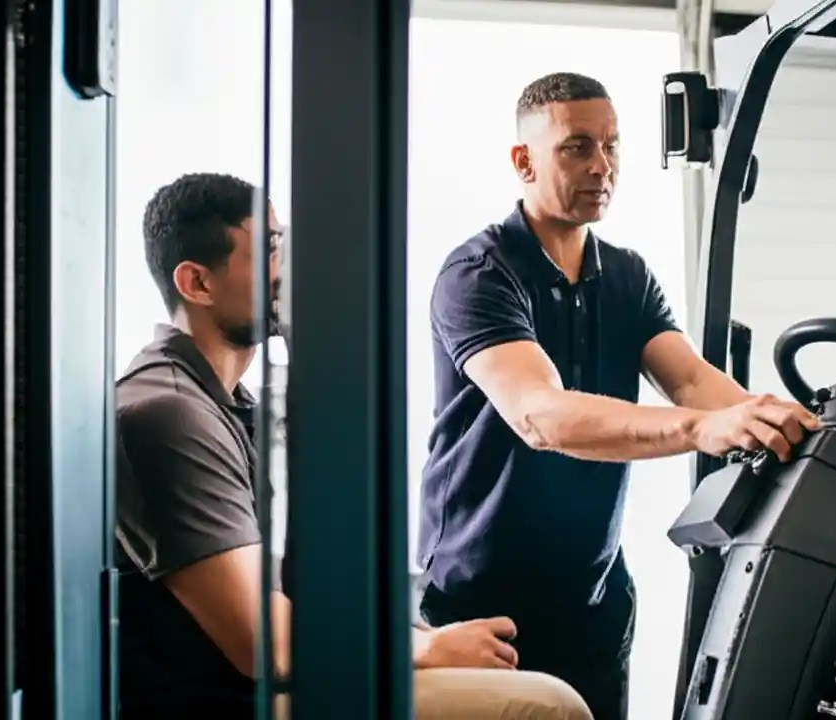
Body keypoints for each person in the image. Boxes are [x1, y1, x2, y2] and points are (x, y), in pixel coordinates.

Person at [115, 172, 593, 719]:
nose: (291, 270)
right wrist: (427, 649)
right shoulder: (170, 414)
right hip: (219, 702)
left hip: (256, 685)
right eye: (271, 250)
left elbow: (311, 566)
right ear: (197, 284)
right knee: (548, 708)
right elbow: (259, 643)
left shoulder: (228, 402)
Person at [416, 72, 819, 720]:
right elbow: (537, 414)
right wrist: (698, 430)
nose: (602, 166)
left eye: (612, 146)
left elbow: (691, 379)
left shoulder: (627, 275)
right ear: (523, 162)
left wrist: (775, 420)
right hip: (483, 604)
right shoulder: (478, 275)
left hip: (595, 600)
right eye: (577, 147)